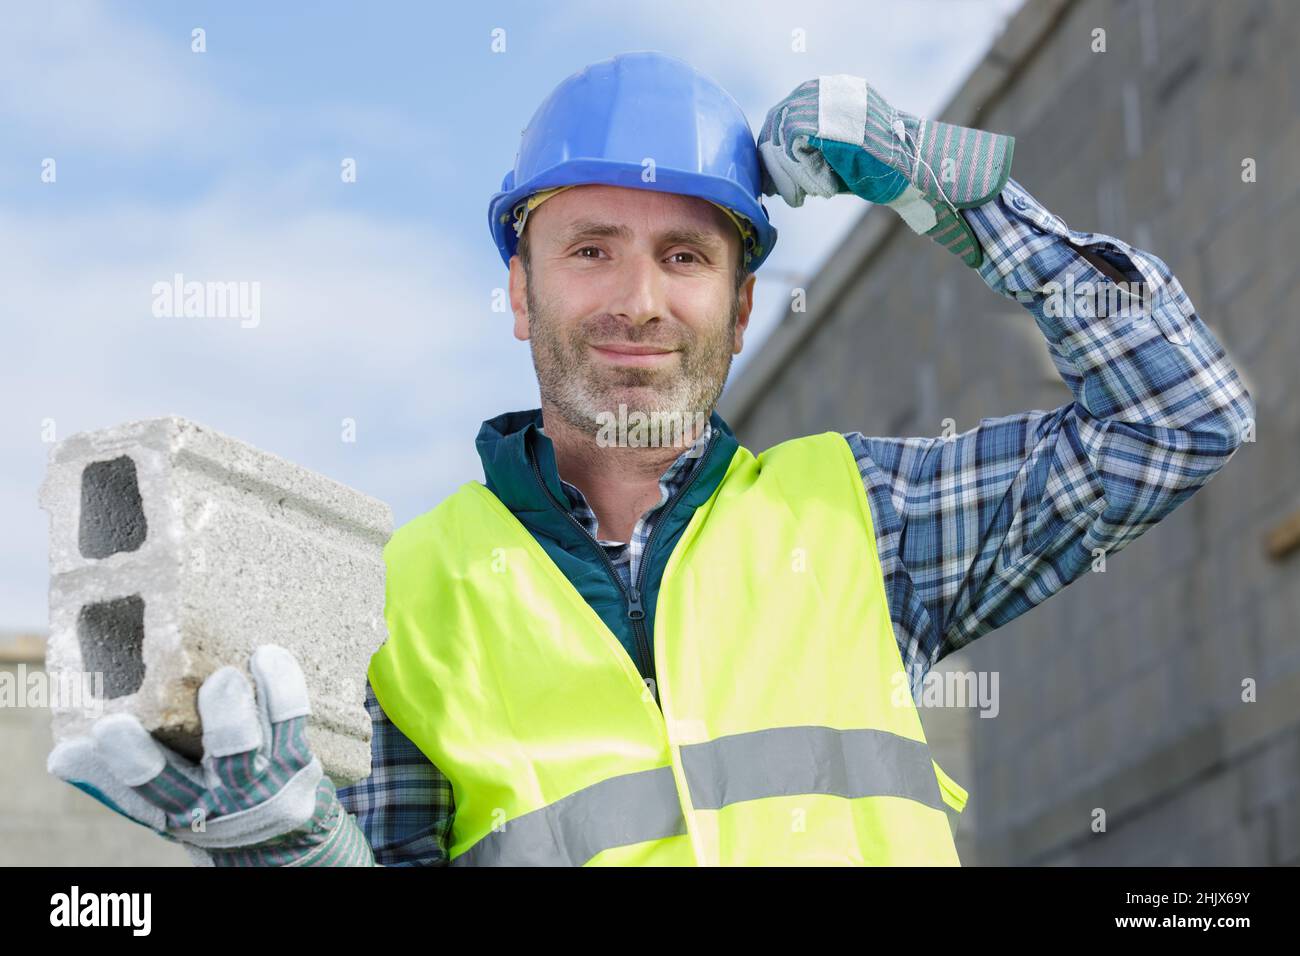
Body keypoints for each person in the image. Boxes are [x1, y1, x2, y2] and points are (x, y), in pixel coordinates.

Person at [51, 51, 1254, 867]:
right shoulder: (395, 595)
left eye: (686, 256)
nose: (638, 300)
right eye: (590, 249)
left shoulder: (866, 518)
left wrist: (962, 197)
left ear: (739, 310)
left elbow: (1180, 416)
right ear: (518, 292)